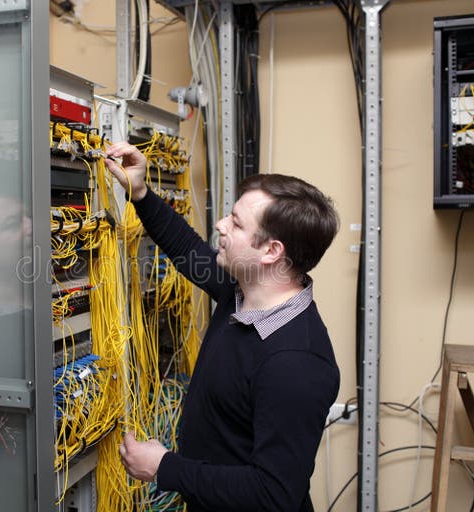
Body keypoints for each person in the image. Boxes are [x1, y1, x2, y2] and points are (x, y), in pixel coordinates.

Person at [105, 141, 340, 512]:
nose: (220, 224)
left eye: (236, 221)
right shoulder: (243, 291)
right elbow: (191, 252)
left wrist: (165, 467)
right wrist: (140, 193)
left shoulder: (297, 362)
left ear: (271, 251)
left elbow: (273, 494)